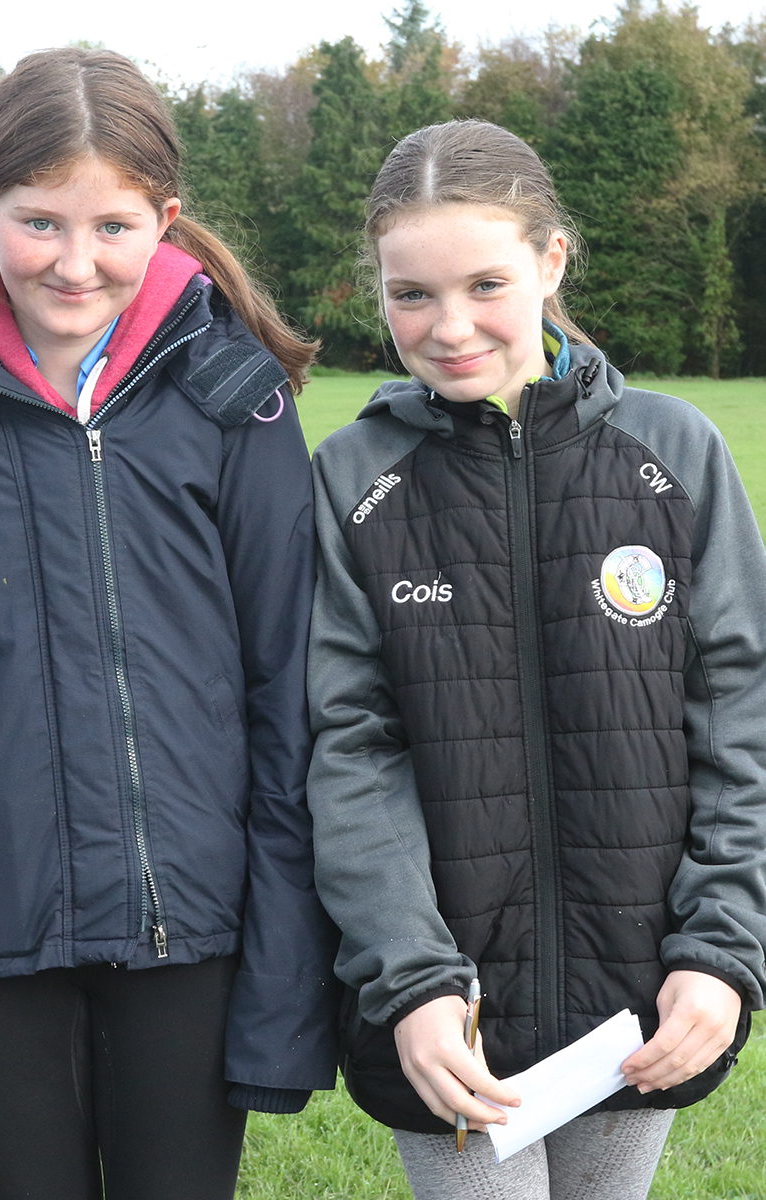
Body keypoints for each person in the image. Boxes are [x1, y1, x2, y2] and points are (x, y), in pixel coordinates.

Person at [0, 46, 340, 1200]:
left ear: (164, 220)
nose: (74, 260)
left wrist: (286, 960)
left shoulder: (236, 400)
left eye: (111, 226)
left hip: (192, 928)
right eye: (39, 221)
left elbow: (285, 695)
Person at [307, 118, 766, 1200]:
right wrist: (410, 979)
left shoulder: (676, 451)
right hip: (447, 1013)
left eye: (485, 284)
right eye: (409, 293)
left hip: (640, 997)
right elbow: (347, 746)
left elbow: (739, 714)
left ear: (552, 258)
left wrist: (722, 949)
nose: (448, 324)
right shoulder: (352, 479)